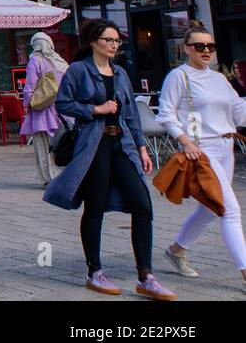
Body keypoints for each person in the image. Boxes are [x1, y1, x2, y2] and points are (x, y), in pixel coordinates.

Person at [46, 19, 174, 300]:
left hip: (122, 144)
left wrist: (142, 148)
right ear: (94, 41)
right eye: (109, 40)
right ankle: (95, 271)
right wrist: (96, 108)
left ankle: (146, 276)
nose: (115, 45)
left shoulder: (120, 73)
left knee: (142, 204)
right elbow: (63, 104)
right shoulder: (79, 71)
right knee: (95, 206)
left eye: (117, 41)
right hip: (94, 145)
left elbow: (131, 115)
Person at [157, 22, 246, 289]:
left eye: (210, 46)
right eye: (199, 46)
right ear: (187, 49)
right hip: (201, 150)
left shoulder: (219, 78)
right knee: (230, 210)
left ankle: (176, 250)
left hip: (225, 147)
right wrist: (185, 141)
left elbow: (238, 113)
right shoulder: (178, 76)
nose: (206, 50)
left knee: (210, 208)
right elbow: (166, 114)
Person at [22, 32, 67, 187]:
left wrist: (27, 105)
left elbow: (30, 87)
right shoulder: (60, 61)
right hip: (61, 109)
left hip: (42, 109)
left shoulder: (35, 60)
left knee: (43, 145)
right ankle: (63, 175)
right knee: (60, 144)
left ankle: (49, 177)